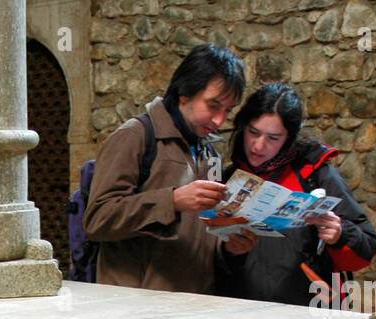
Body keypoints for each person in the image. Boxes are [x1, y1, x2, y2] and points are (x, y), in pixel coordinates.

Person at [82, 44, 256, 293]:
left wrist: (229, 249)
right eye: (213, 105)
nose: (219, 120)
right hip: (137, 307)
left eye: (227, 110)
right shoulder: (136, 136)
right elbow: (97, 220)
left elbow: (203, 233)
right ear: (184, 93)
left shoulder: (211, 153)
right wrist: (172, 200)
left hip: (194, 308)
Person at [216, 83, 376, 306]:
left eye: (273, 138)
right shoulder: (229, 178)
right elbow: (211, 259)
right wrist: (229, 252)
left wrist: (340, 234)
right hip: (242, 314)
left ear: (289, 138)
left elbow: (367, 248)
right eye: (253, 132)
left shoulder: (316, 175)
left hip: (309, 314)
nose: (258, 145)